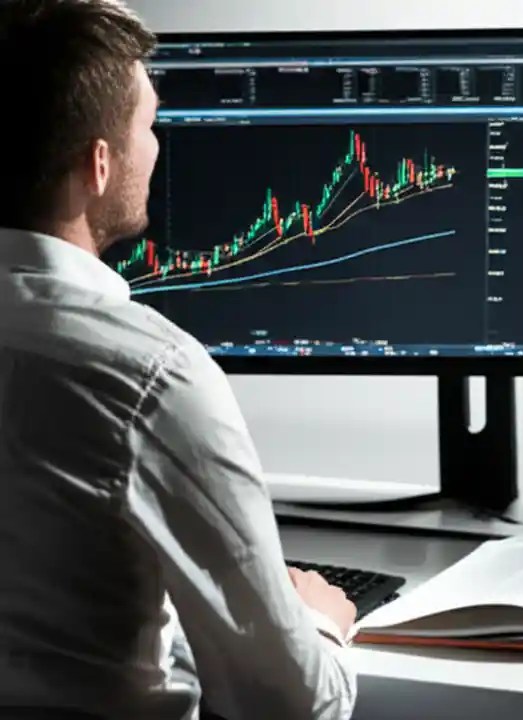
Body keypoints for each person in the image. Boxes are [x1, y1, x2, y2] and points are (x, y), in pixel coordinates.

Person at [0, 1, 359, 718]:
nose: (158, 148)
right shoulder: (150, 374)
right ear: (98, 164)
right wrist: (320, 619)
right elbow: (288, 702)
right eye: (149, 126)